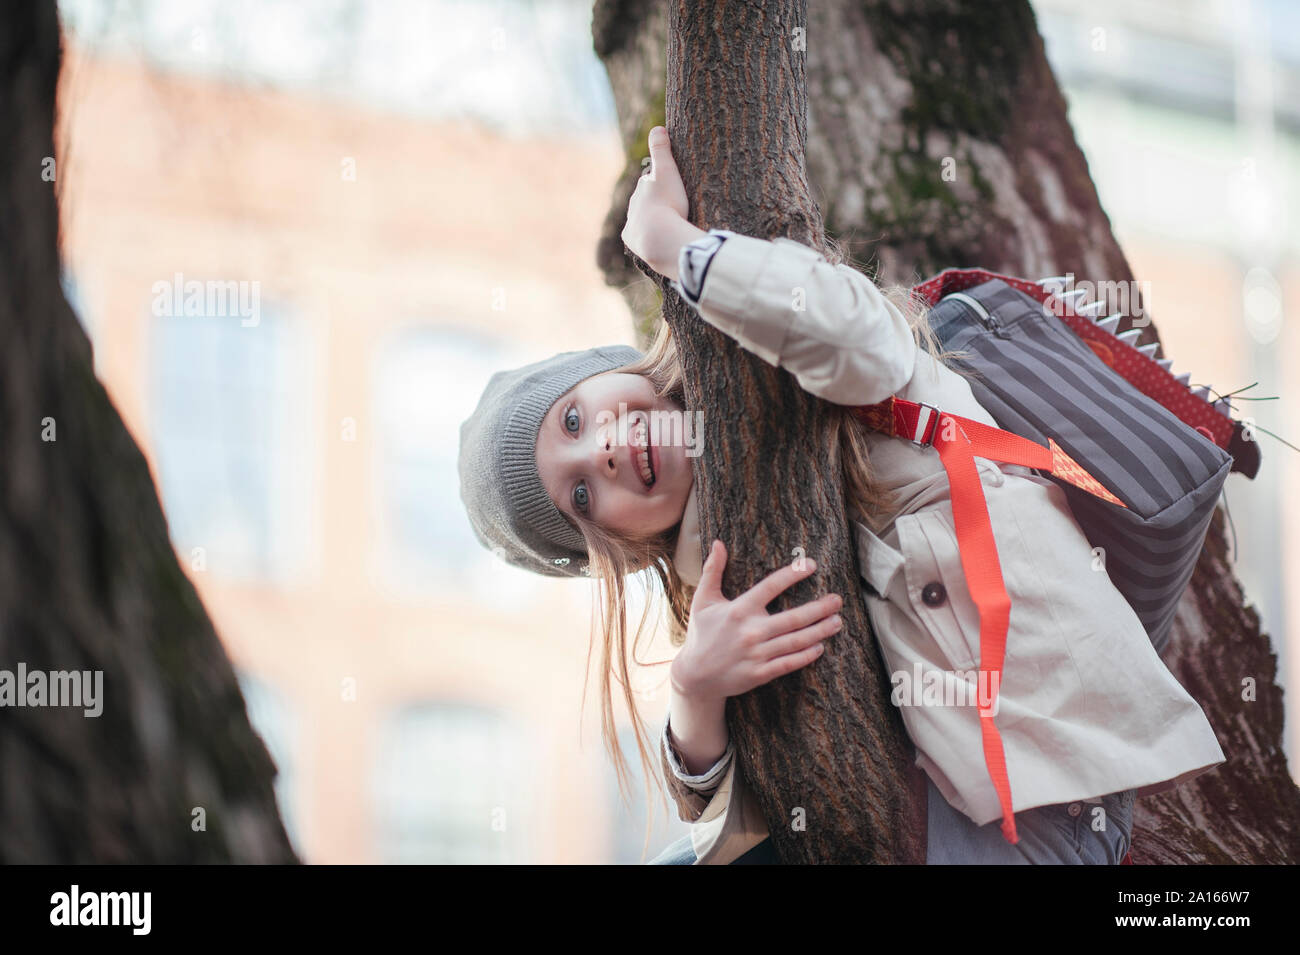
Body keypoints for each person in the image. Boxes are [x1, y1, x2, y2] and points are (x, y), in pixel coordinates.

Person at [457, 126, 1225, 864]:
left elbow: (855, 333)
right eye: (581, 496)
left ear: (604, 368)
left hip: (1046, 801)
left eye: (572, 417)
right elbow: (766, 800)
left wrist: (676, 249)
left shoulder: (794, 364)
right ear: (614, 550)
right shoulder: (717, 568)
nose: (605, 449)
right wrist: (696, 693)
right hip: (943, 813)